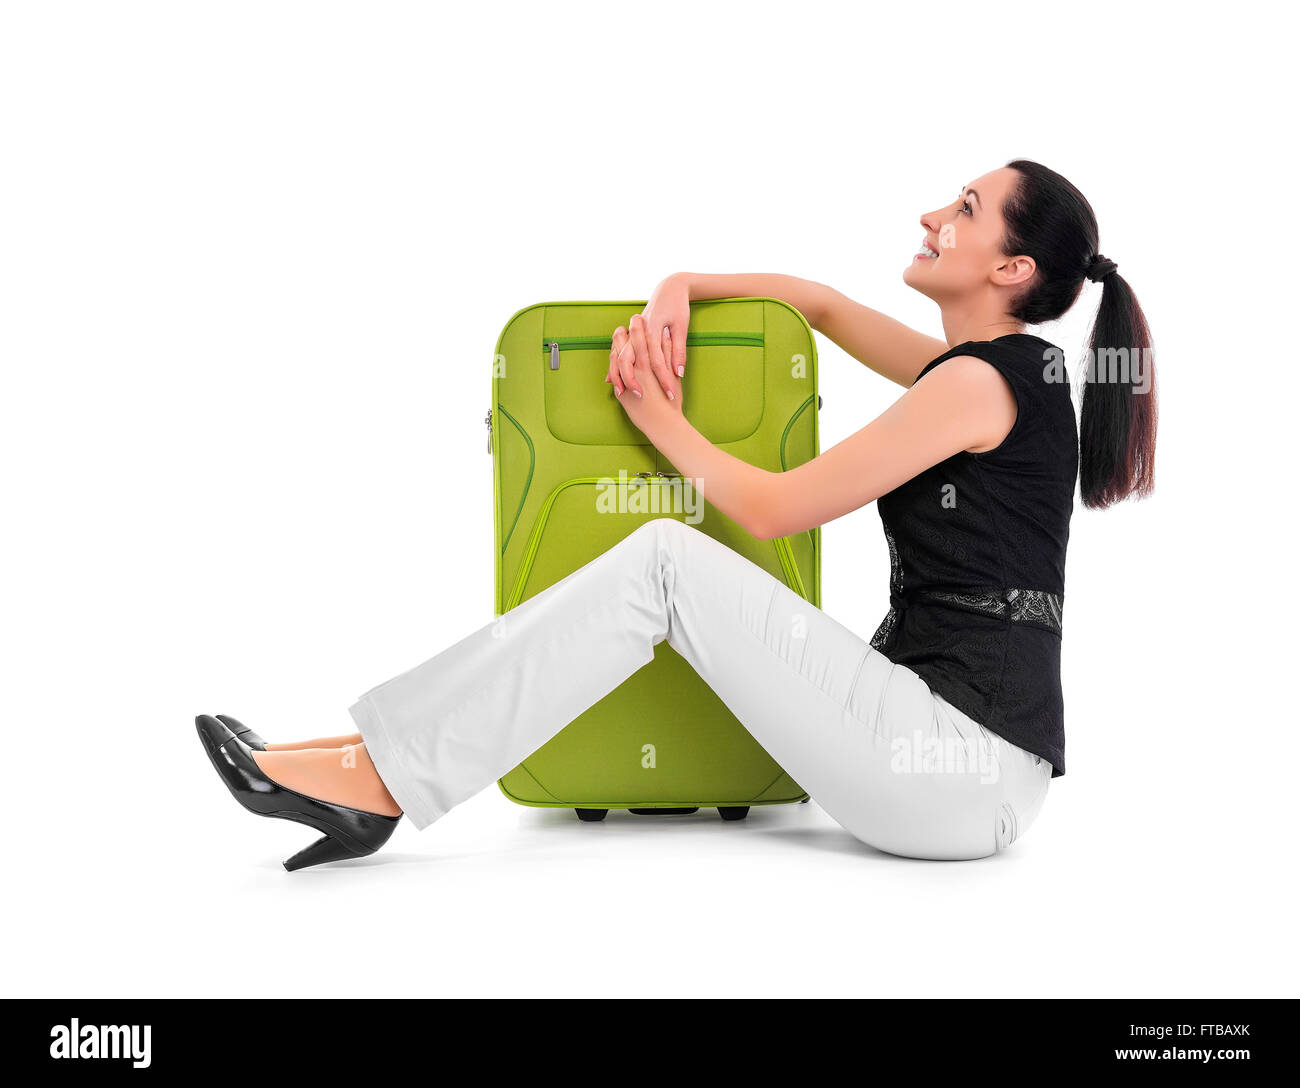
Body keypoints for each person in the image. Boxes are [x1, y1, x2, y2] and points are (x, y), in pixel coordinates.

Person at [196, 159, 1157, 870]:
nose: (933, 213)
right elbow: (818, 306)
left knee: (666, 561)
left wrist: (660, 421)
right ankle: (369, 756)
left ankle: (379, 780)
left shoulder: (982, 386)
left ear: (1011, 268)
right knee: (663, 564)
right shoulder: (991, 375)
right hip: (955, 765)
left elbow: (775, 510)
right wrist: (679, 285)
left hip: (959, 772)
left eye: (966, 208)